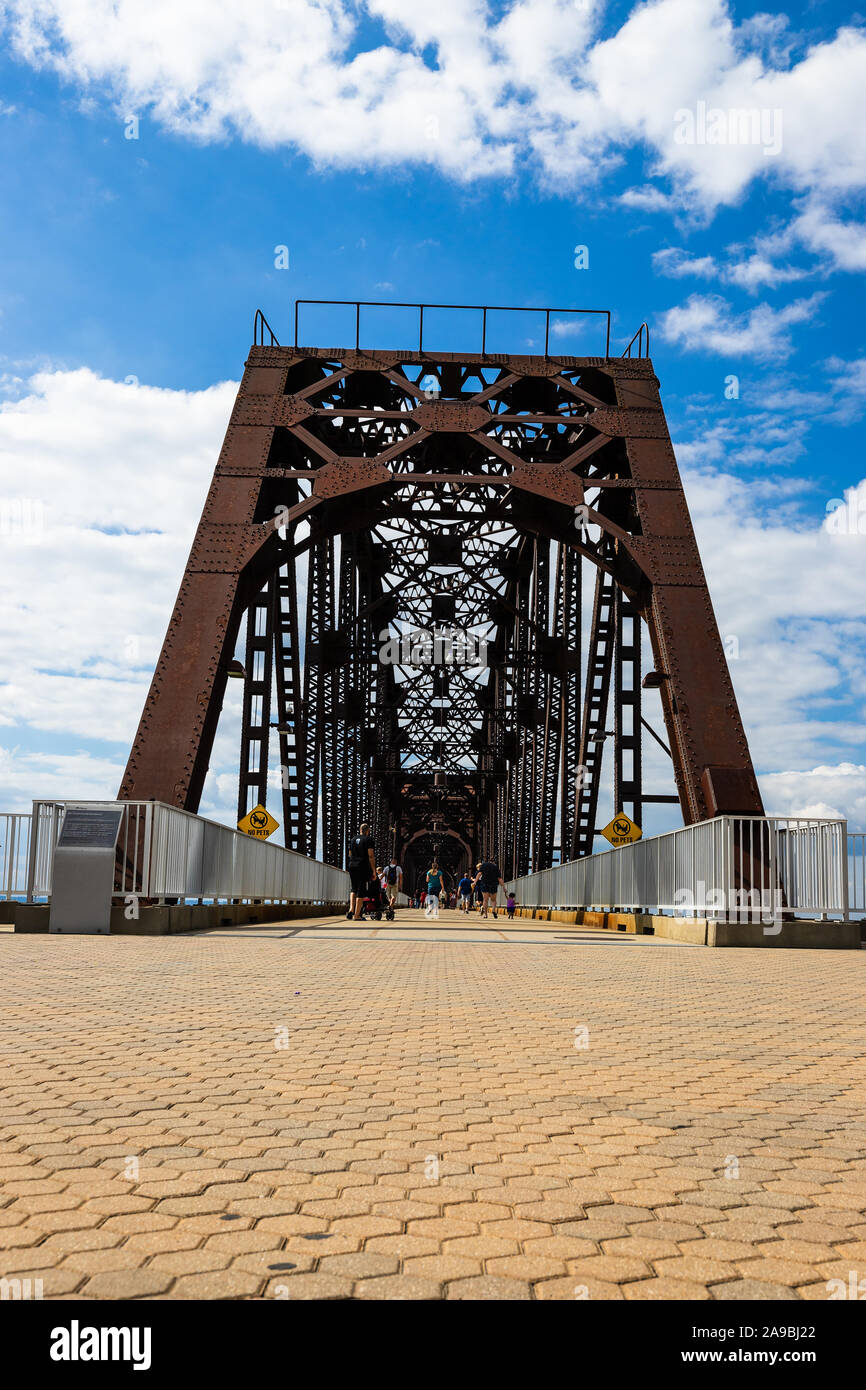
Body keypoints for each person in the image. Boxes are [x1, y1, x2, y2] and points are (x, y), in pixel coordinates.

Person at [347, 822, 376, 921]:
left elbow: (350, 853)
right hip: (362, 866)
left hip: (352, 865)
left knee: (353, 888)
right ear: (368, 831)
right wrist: (373, 871)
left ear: (360, 830)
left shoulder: (353, 839)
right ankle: (357, 915)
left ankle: (351, 909)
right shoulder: (369, 839)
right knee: (361, 890)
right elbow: (371, 855)